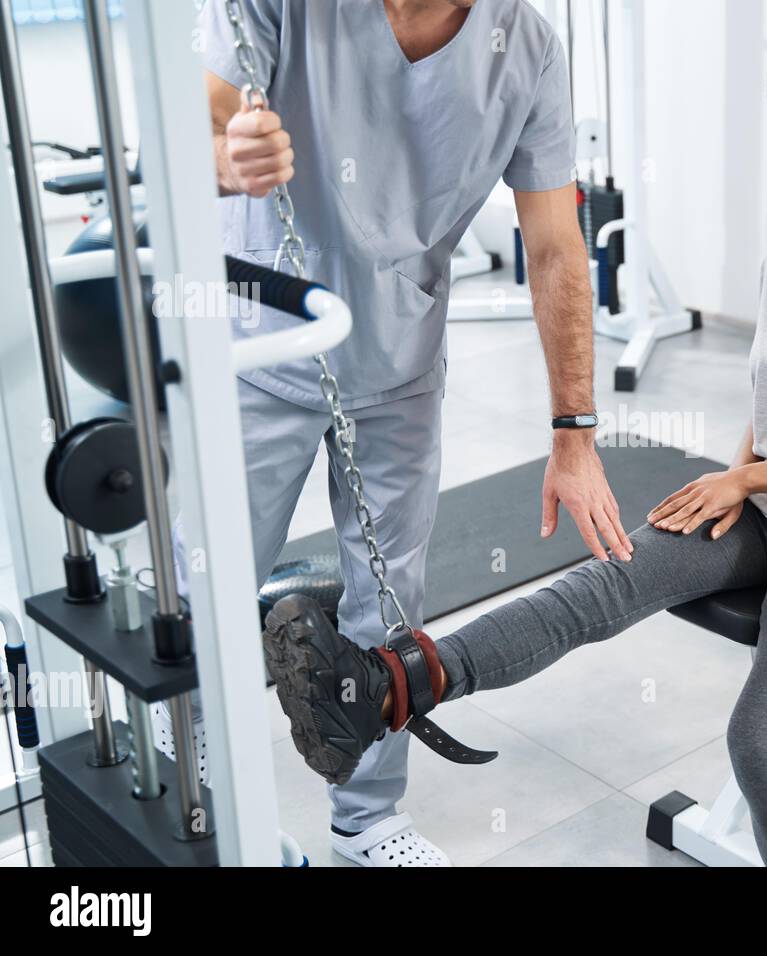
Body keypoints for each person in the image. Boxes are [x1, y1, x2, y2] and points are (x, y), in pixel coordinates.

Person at [264, 1, 767, 867]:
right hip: (765, 508)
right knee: (600, 588)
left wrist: (746, 480)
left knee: (762, 743)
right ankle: (384, 687)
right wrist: (741, 476)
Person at [160, 0, 634, 868]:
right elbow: (204, 109)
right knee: (209, 578)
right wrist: (227, 156)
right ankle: (186, 759)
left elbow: (555, 245)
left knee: (389, 604)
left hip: (399, 356)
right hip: (264, 341)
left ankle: (367, 816)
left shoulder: (526, 49)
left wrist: (574, 431)